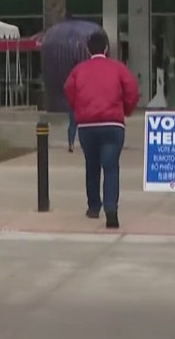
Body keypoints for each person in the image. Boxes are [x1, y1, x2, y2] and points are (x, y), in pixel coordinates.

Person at [63, 30, 139, 230]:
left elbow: (69, 91)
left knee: (92, 165)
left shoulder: (79, 70)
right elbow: (132, 90)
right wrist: (126, 110)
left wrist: (80, 109)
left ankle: (94, 206)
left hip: (87, 125)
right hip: (113, 124)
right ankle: (111, 209)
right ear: (106, 48)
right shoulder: (118, 68)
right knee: (111, 166)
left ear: (88, 50)